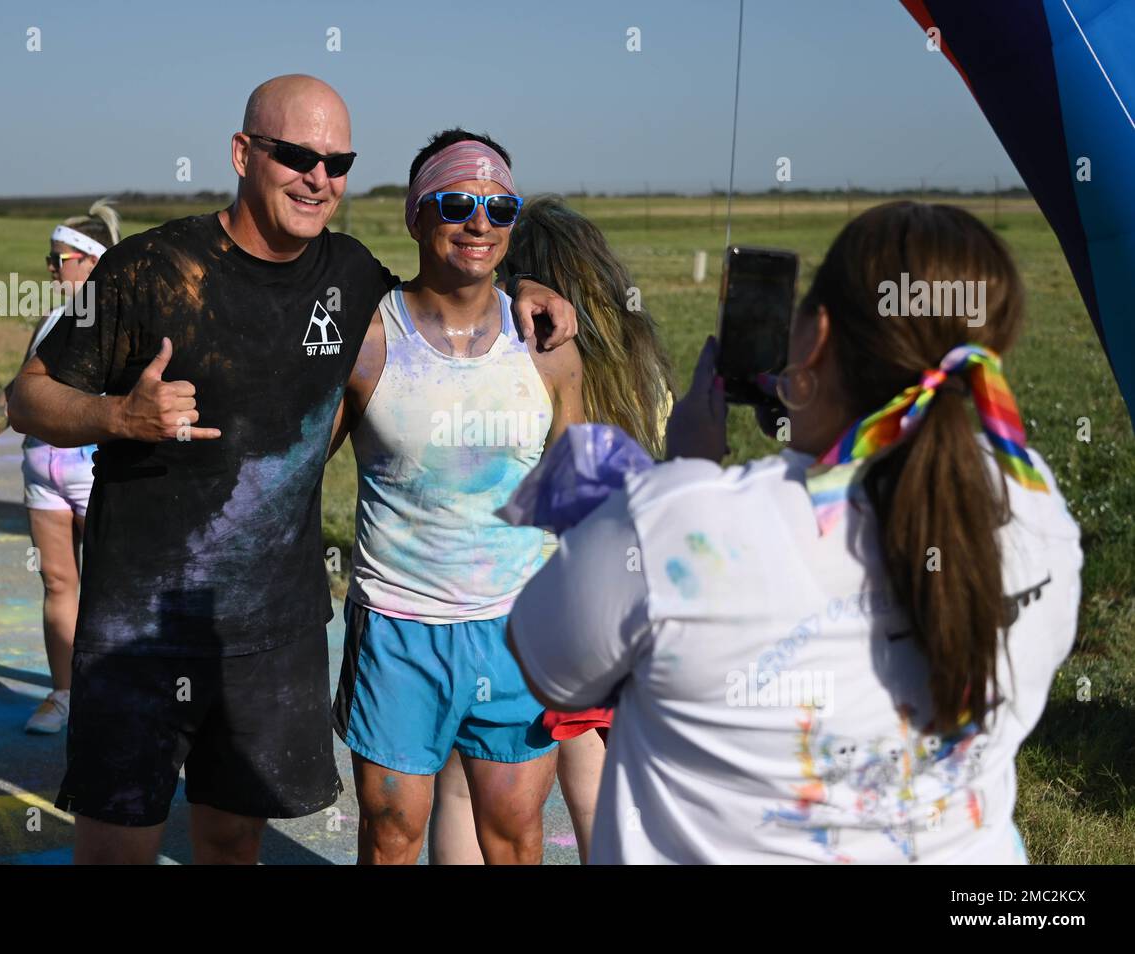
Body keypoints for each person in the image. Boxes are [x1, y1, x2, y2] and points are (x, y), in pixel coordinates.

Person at [7, 76, 575, 865]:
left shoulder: (352, 280)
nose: (319, 177)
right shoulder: (146, 269)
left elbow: (449, 287)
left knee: (234, 843)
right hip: (140, 630)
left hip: (275, 637)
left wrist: (528, 289)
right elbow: (26, 395)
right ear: (243, 153)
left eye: (337, 162)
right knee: (117, 849)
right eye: (296, 155)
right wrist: (116, 416)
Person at [508, 201, 1083, 863]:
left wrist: (682, 474)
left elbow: (549, 665)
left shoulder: (683, 524)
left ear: (817, 335)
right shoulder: (1035, 500)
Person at [328, 132, 584, 865]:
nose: (480, 223)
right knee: (391, 837)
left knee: (514, 836)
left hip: (515, 632)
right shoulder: (370, 339)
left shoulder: (547, 343)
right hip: (397, 632)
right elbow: (299, 470)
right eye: (457, 203)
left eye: (499, 208)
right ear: (415, 216)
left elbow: (574, 496)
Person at [429, 195, 674, 864]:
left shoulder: (513, 354)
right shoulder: (640, 361)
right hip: (621, 592)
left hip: (516, 589)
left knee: (462, 785)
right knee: (598, 782)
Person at [0, 200, 120, 733]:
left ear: (92, 262)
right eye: (50, 259)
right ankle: (64, 693)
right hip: (42, 473)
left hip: (96, 472)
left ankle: (117, 696)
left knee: (114, 587)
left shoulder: (118, 324)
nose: (50, 268)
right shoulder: (49, 320)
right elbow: (18, 391)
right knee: (57, 582)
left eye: (59, 258)